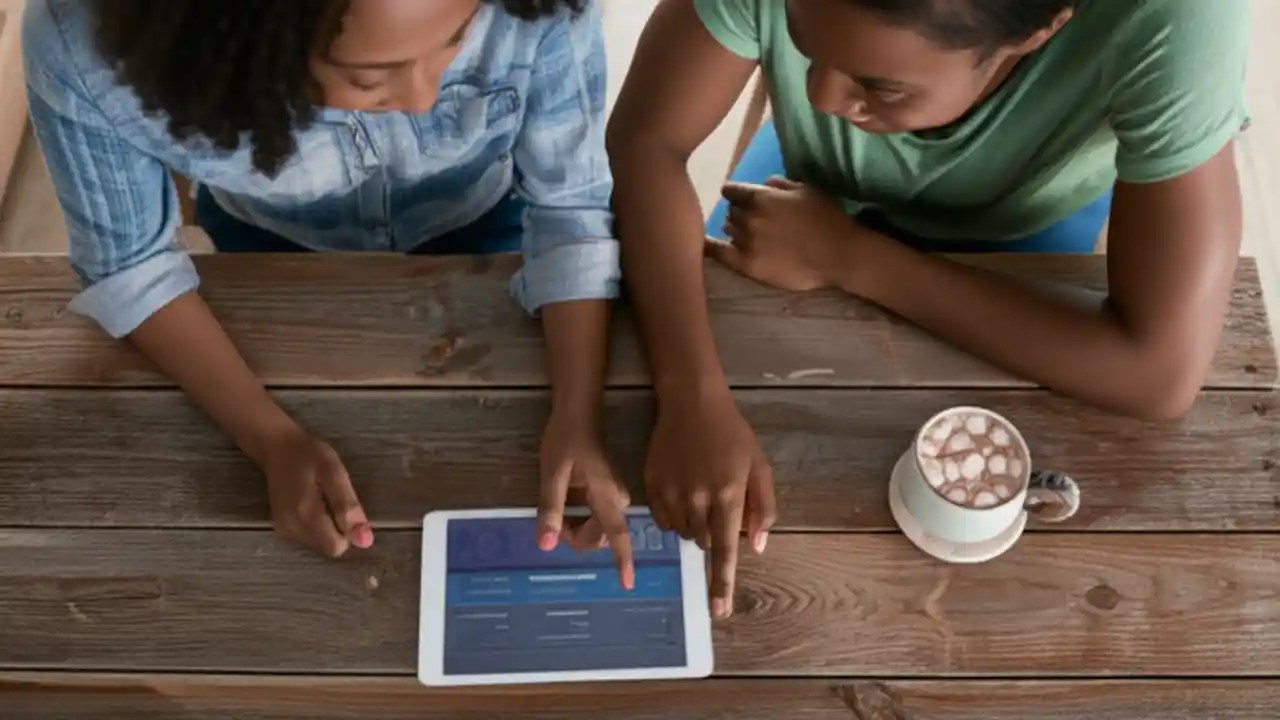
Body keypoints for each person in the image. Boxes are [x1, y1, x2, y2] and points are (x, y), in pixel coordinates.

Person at [608, 0, 1249, 617]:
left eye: (879, 85)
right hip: (807, 200)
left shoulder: (1177, 15)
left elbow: (1159, 372)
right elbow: (647, 141)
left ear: (1037, 32)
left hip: (1019, 216)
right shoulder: (832, 92)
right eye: (801, 38)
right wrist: (689, 392)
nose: (818, 99)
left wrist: (852, 259)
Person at [24, 0, 633, 586]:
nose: (423, 99)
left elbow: (568, 208)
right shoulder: (85, 46)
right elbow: (132, 267)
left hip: (489, 223)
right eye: (368, 79)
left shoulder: (541, 8)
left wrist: (577, 416)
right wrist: (269, 439)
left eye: (457, 40)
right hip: (268, 246)